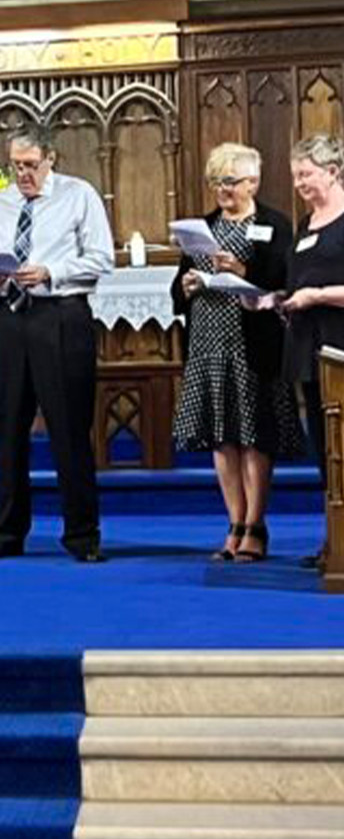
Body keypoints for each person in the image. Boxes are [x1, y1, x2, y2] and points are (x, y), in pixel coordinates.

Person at [0, 123, 114, 563]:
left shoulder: (79, 194)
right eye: (16, 166)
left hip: (61, 317)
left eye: (30, 166)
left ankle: (82, 535)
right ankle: (7, 533)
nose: (23, 175)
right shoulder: (0, 202)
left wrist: (51, 271)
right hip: (12, 318)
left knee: (69, 429)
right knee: (9, 428)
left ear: (51, 159)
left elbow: (102, 257)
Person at [172, 143, 300, 562]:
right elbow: (178, 286)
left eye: (230, 181)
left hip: (253, 344)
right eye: (216, 181)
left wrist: (244, 272)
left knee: (254, 435)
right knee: (222, 437)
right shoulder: (202, 227)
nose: (222, 190)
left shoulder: (273, 225)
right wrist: (187, 287)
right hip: (209, 342)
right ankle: (234, 523)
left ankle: (256, 527)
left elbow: (284, 279)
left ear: (253, 182)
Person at [278, 132, 344, 566]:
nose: (299, 183)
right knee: (325, 451)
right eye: (296, 175)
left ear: (334, 171)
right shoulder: (305, 225)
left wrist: (318, 296)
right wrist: (281, 300)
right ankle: (336, 540)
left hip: (341, 349)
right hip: (309, 348)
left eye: (307, 174)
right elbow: (299, 280)